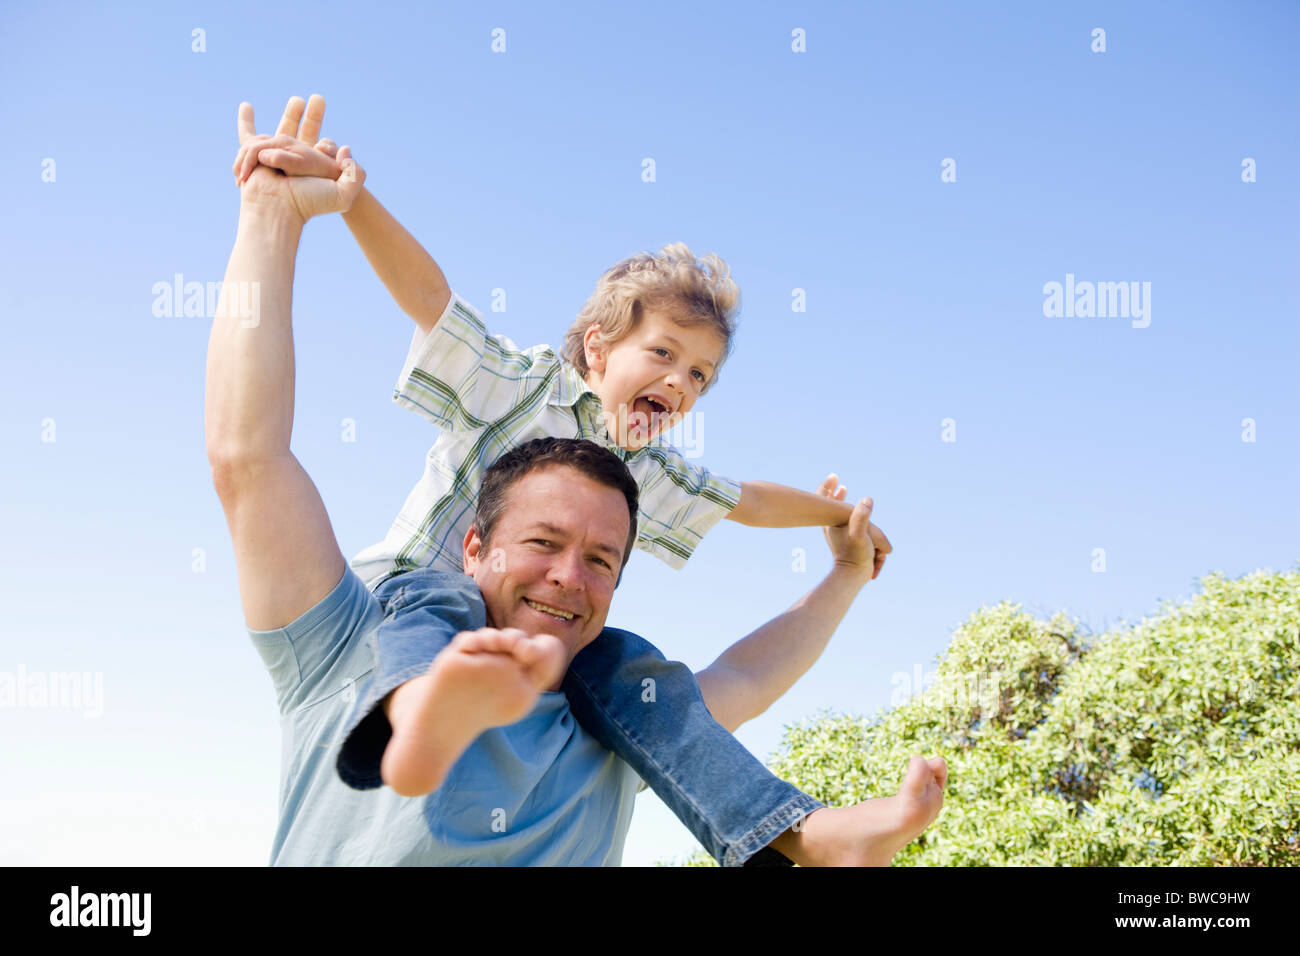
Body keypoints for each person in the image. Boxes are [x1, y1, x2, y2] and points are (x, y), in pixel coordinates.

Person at [208, 97, 946, 865]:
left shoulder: (646, 487)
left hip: (537, 660)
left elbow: (747, 507)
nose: (683, 381)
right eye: (663, 354)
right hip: (413, 594)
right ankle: (420, 709)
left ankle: (797, 832)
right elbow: (429, 303)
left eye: (700, 374)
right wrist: (350, 202)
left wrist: (836, 518)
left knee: (626, 661)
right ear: (596, 348)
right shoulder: (520, 388)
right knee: (446, 599)